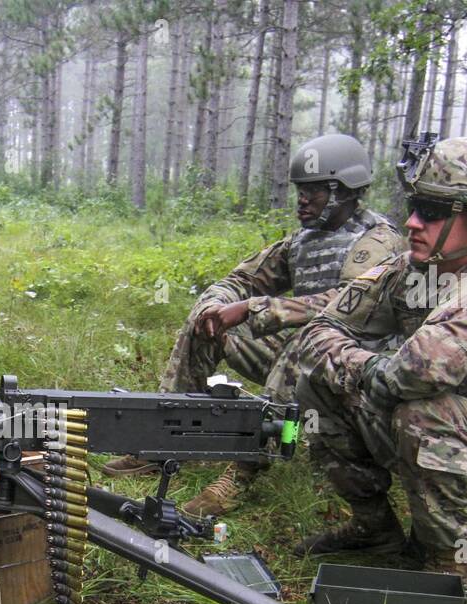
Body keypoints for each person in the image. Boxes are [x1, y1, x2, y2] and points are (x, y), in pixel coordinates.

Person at [292, 134, 467, 598]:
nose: (411, 222)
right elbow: (317, 332)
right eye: (414, 205)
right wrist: (363, 368)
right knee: (317, 386)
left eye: (431, 210)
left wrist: (365, 367)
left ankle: (449, 565)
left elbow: (416, 373)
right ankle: (374, 529)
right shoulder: (415, 268)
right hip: (461, 433)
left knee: (424, 411)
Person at [103, 133, 403, 519]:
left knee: (307, 342)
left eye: (314, 191)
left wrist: (254, 307)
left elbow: (347, 305)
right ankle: (166, 444)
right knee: (207, 325)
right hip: (309, 362)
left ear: (343, 192)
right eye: (300, 190)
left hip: (360, 373)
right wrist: (214, 306)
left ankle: (242, 473)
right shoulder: (303, 240)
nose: (303, 200)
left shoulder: (377, 241)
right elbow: (243, 279)